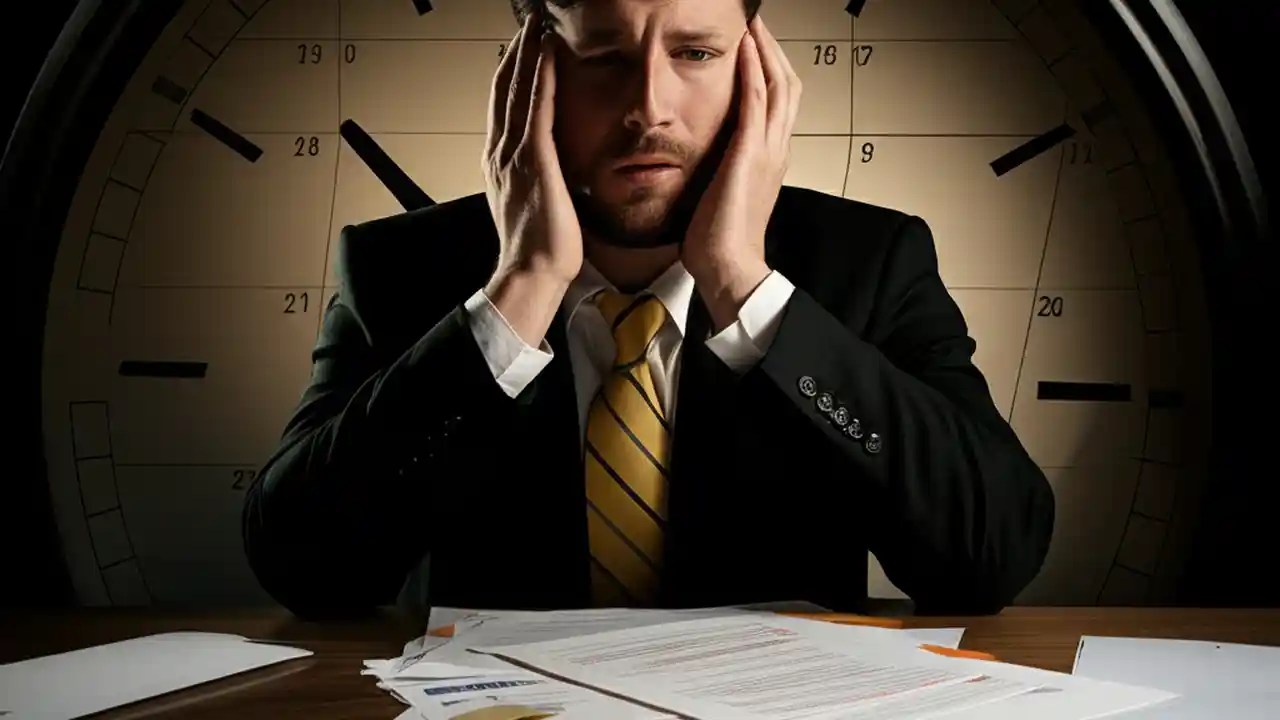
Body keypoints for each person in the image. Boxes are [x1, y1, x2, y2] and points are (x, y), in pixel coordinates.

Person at [241, 0, 1055, 621]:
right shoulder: (399, 270)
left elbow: (989, 556)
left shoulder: (869, 262)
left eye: (696, 53)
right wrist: (519, 291)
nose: (650, 108)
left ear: (757, 74)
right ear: (530, 76)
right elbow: (303, 570)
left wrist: (745, 288)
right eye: (603, 56)